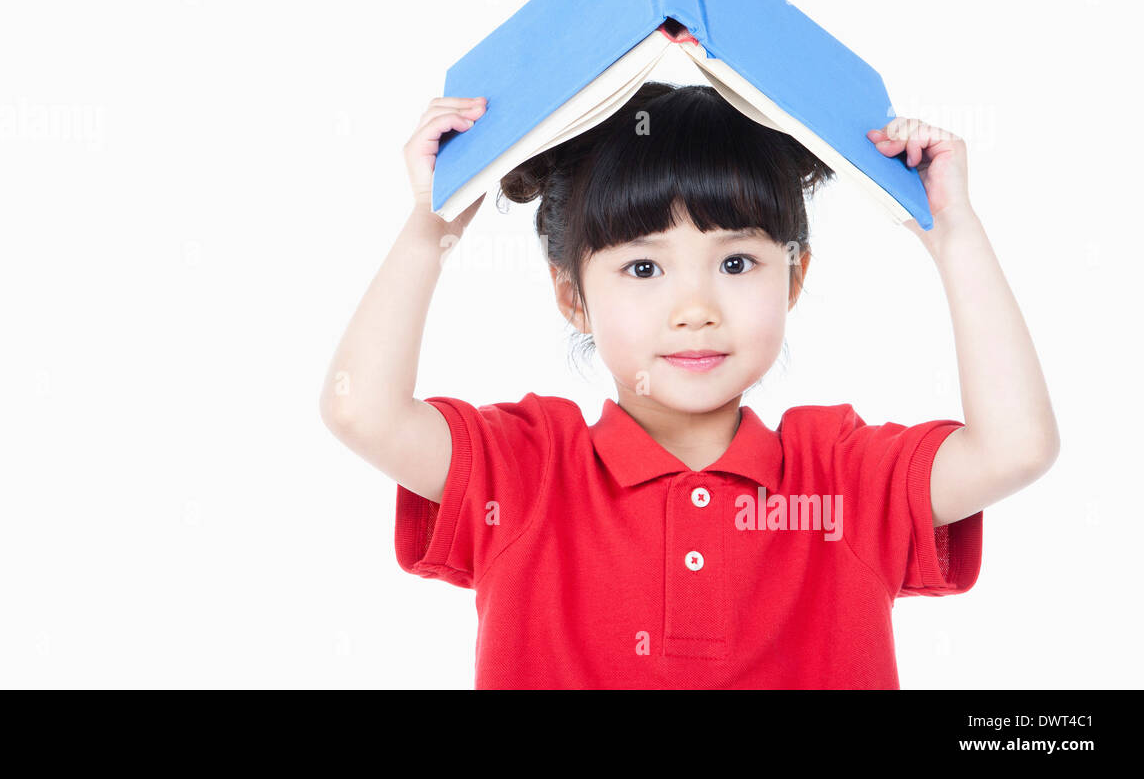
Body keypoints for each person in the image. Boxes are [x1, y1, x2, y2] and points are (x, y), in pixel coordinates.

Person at [319, 82, 1059, 688]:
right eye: (643, 268)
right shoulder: (526, 471)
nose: (696, 310)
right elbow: (362, 410)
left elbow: (1016, 448)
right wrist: (430, 223)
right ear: (572, 295)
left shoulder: (842, 476)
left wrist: (953, 231)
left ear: (794, 277)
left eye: (737, 264)